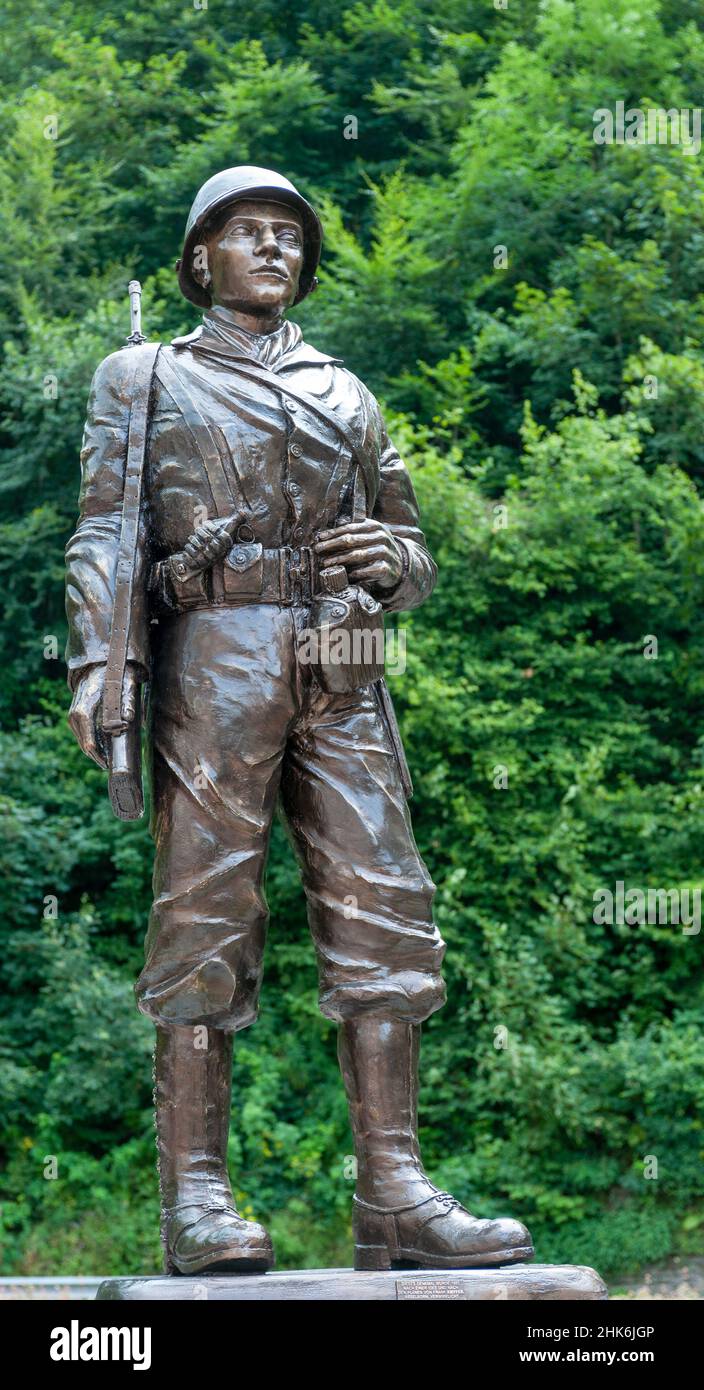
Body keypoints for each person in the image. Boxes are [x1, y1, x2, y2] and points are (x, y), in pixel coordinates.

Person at [65, 166, 533, 1274]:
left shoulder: (347, 392)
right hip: (214, 642)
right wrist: (100, 661)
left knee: (384, 895)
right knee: (205, 905)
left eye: (287, 236)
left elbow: (407, 542)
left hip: (345, 646)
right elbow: (101, 532)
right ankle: (193, 1197)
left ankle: (396, 1193)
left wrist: (399, 562)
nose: (271, 249)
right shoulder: (146, 375)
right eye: (245, 233)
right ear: (200, 260)